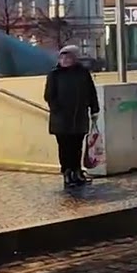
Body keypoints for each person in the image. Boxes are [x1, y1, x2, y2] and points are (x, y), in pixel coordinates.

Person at [43, 45, 100, 187]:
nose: (64, 60)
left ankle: (77, 171)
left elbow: (91, 92)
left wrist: (94, 109)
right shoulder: (54, 74)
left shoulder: (83, 73)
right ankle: (67, 172)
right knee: (64, 146)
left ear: (75, 58)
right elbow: (49, 95)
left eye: (68, 57)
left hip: (79, 116)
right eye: (62, 57)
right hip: (61, 118)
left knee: (77, 146)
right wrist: (57, 109)